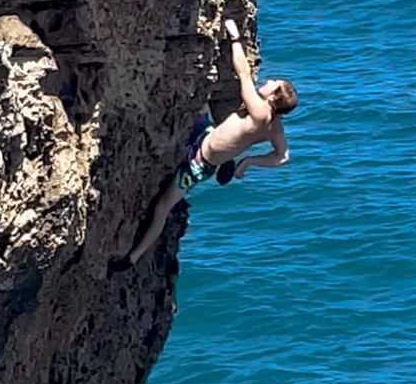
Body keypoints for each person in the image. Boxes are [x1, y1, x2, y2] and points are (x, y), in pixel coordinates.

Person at [117, 20, 298, 268]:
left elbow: (243, 72)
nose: (268, 80)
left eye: (273, 83)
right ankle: (229, 160)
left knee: (162, 207)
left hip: (197, 165)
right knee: (198, 96)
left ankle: (133, 256)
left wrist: (235, 38)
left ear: (274, 97)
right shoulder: (275, 127)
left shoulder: (258, 110)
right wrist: (250, 162)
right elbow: (283, 156)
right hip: (205, 135)